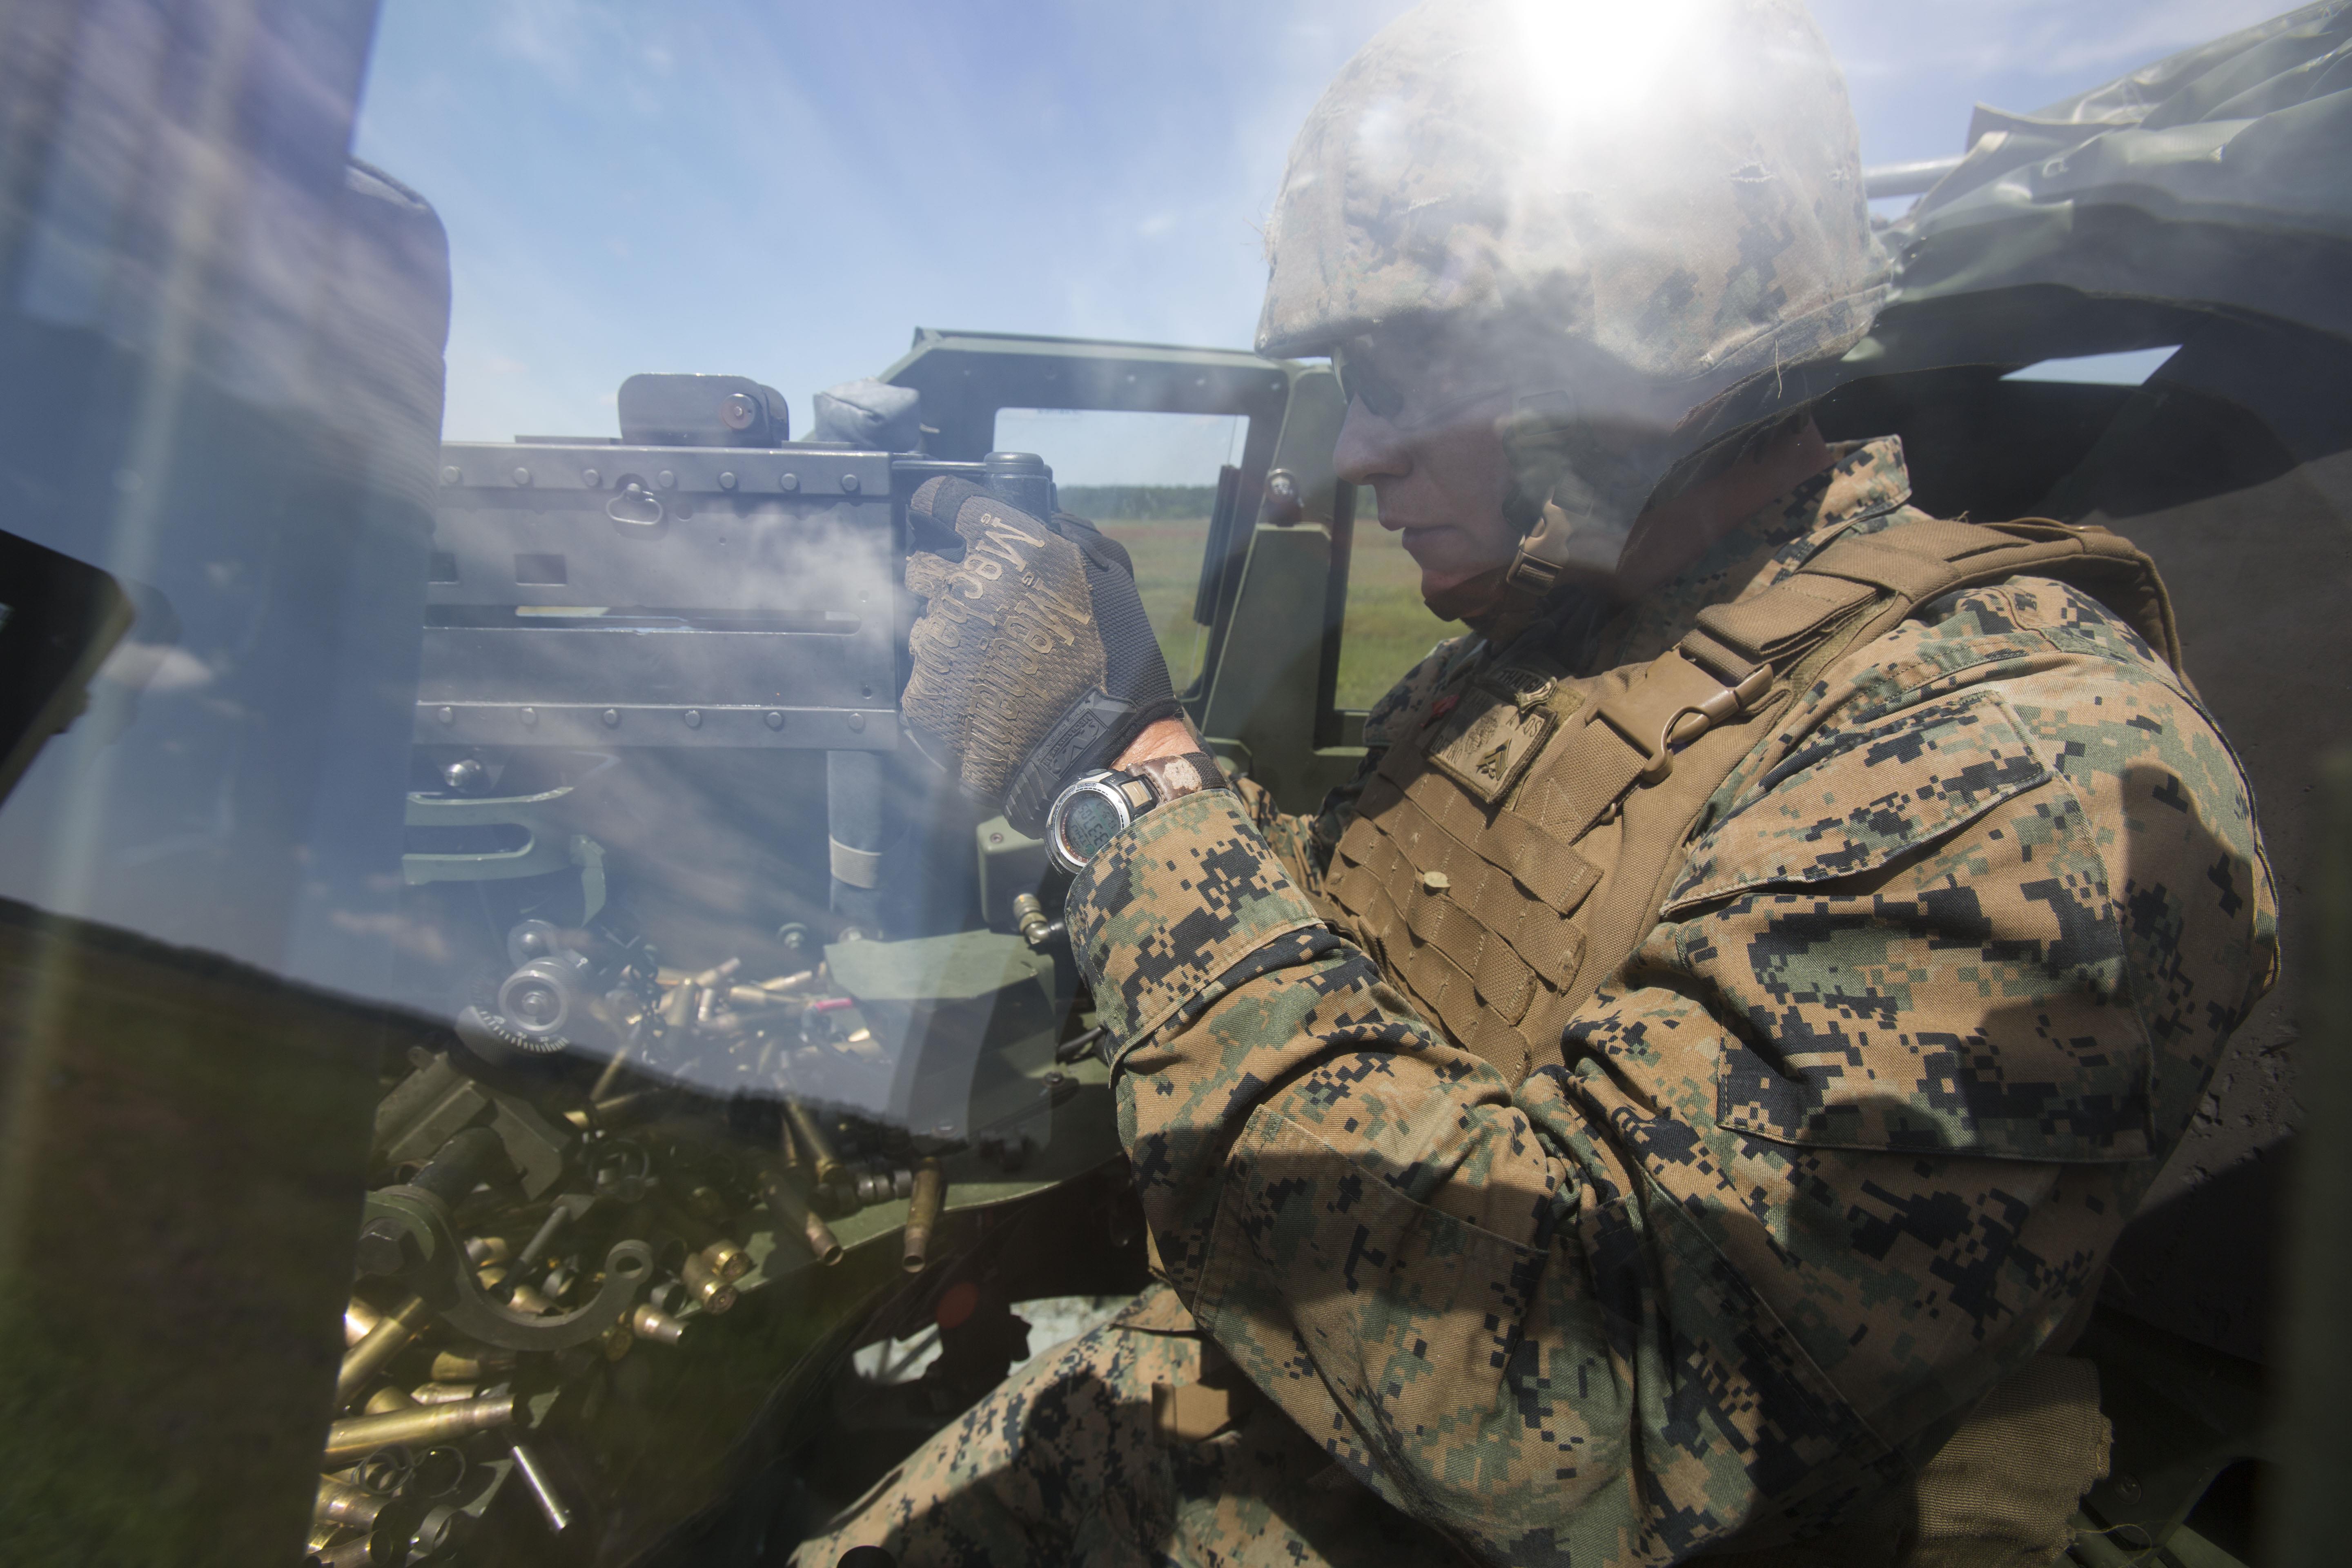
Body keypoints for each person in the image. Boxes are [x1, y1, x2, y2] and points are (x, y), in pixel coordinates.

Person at [797, 1, 2278, 1563]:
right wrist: (1126, 734)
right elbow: (1367, 953)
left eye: (1400, 368)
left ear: (1628, 339)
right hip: (1231, 1401)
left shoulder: (2020, 763)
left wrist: (1130, 786)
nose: (1353, 452)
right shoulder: (1541, 640)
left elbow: (1612, 1421)